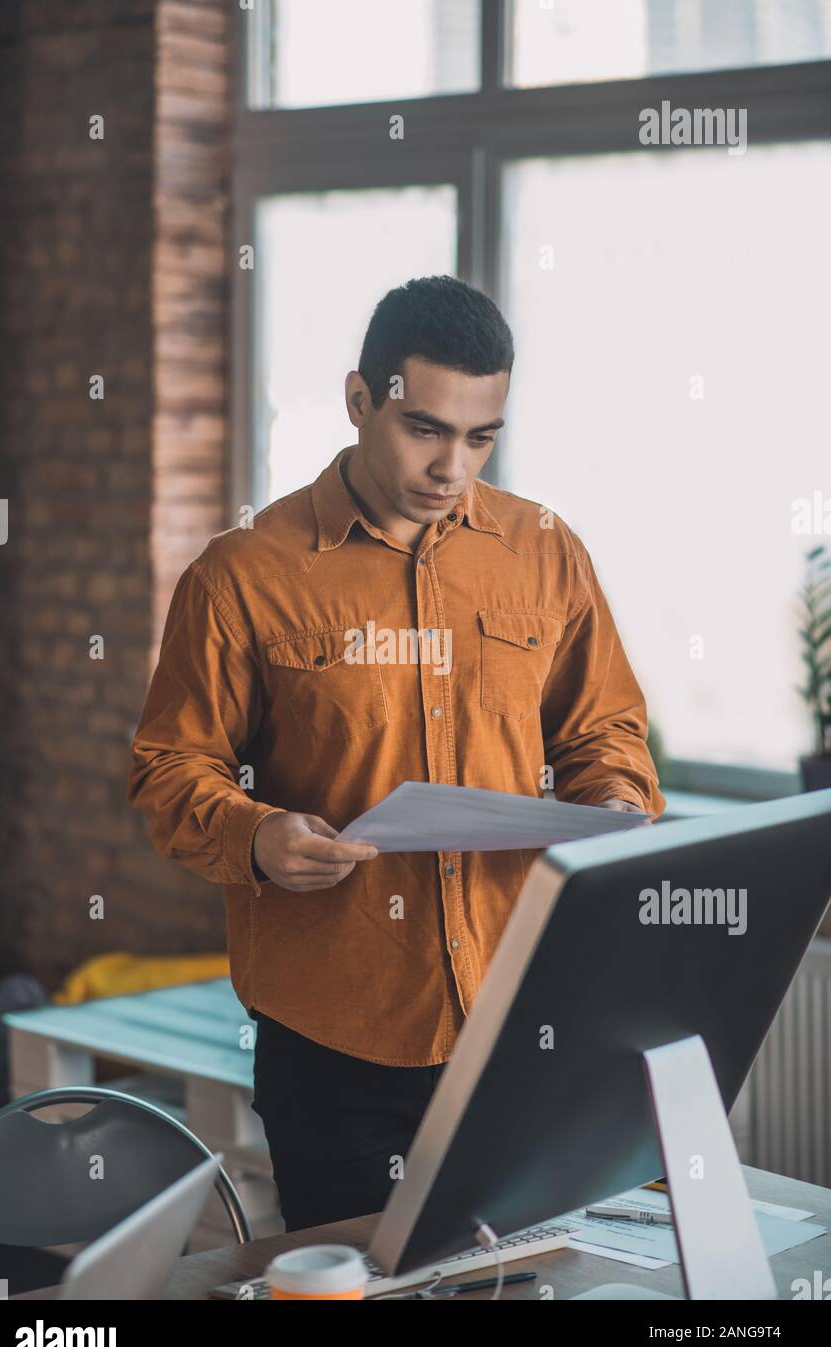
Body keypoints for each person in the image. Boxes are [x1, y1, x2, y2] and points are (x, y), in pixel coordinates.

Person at [129, 275, 665, 1231]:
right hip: (337, 1047)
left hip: (522, 1022)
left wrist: (618, 809)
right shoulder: (242, 574)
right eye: (423, 428)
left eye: (479, 436)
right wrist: (255, 836)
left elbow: (603, 733)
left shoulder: (547, 552)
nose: (451, 466)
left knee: (528, 1284)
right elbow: (169, 770)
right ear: (358, 400)